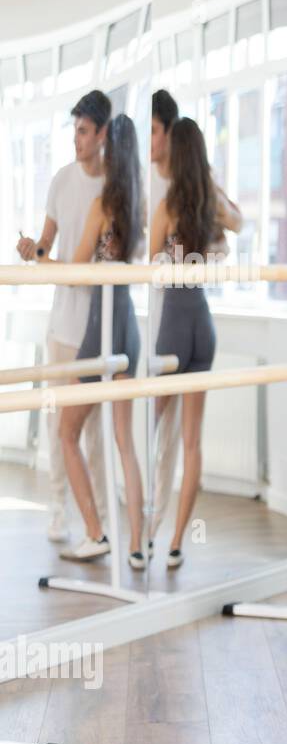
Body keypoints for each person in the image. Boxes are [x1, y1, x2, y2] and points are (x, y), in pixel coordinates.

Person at [37, 114, 146, 569]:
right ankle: (137, 546)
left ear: (108, 148)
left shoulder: (104, 204)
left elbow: (75, 269)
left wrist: (39, 258)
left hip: (101, 327)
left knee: (66, 432)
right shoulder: (138, 207)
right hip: (129, 327)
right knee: (124, 442)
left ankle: (95, 533)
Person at [146, 89, 243, 550]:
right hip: (203, 325)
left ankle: (144, 533)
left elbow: (149, 264)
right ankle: (175, 544)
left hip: (172, 323)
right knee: (192, 444)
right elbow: (239, 223)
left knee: (147, 428)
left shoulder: (168, 207)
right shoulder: (208, 206)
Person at [15, 89, 111, 546]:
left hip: (98, 328)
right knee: (58, 425)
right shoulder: (61, 180)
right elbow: (46, 247)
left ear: (102, 134)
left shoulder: (113, 188)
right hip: (62, 328)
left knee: (93, 430)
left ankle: (100, 520)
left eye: (84, 131)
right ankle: (59, 510)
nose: (77, 138)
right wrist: (31, 249)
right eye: (74, 130)